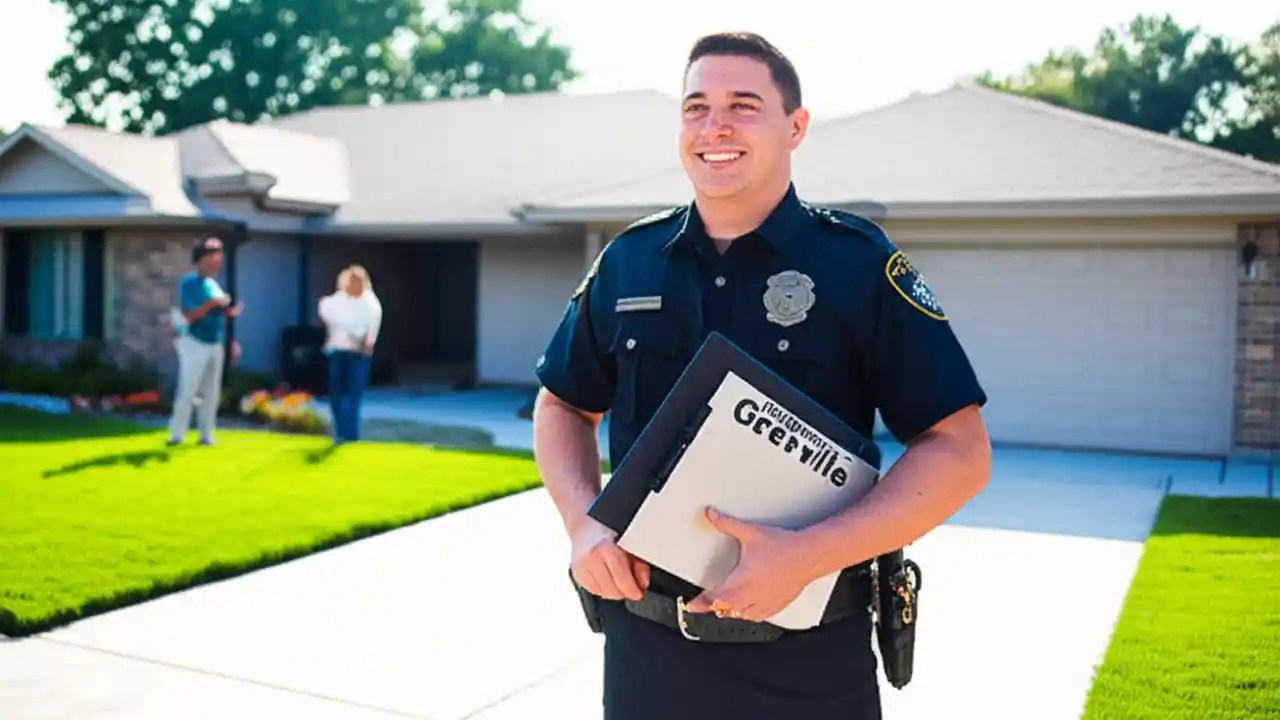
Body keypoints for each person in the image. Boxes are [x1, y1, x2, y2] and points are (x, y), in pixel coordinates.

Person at [531, 32, 992, 720]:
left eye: (743, 105)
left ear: (795, 126)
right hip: (646, 654)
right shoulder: (629, 262)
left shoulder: (856, 265)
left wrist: (808, 555)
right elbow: (563, 404)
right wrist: (582, 524)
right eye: (696, 107)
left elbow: (960, 452)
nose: (715, 127)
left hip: (807, 662)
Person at [167, 235, 242, 446]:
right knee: (188, 388)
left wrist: (229, 311)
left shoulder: (212, 284)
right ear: (201, 260)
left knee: (211, 391)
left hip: (214, 342)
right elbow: (191, 314)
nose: (216, 264)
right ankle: (176, 434)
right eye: (212, 259)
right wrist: (213, 303)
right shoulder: (189, 283)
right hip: (194, 341)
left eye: (218, 260)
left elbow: (220, 313)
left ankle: (206, 434)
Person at [318, 264, 382, 443]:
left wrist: (366, 340)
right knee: (336, 396)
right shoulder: (339, 300)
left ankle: (351, 435)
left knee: (352, 395)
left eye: (357, 281)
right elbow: (325, 309)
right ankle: (339, 433)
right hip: (336, 352)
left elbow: (363, 327)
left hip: (357, 353)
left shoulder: (369, 302)